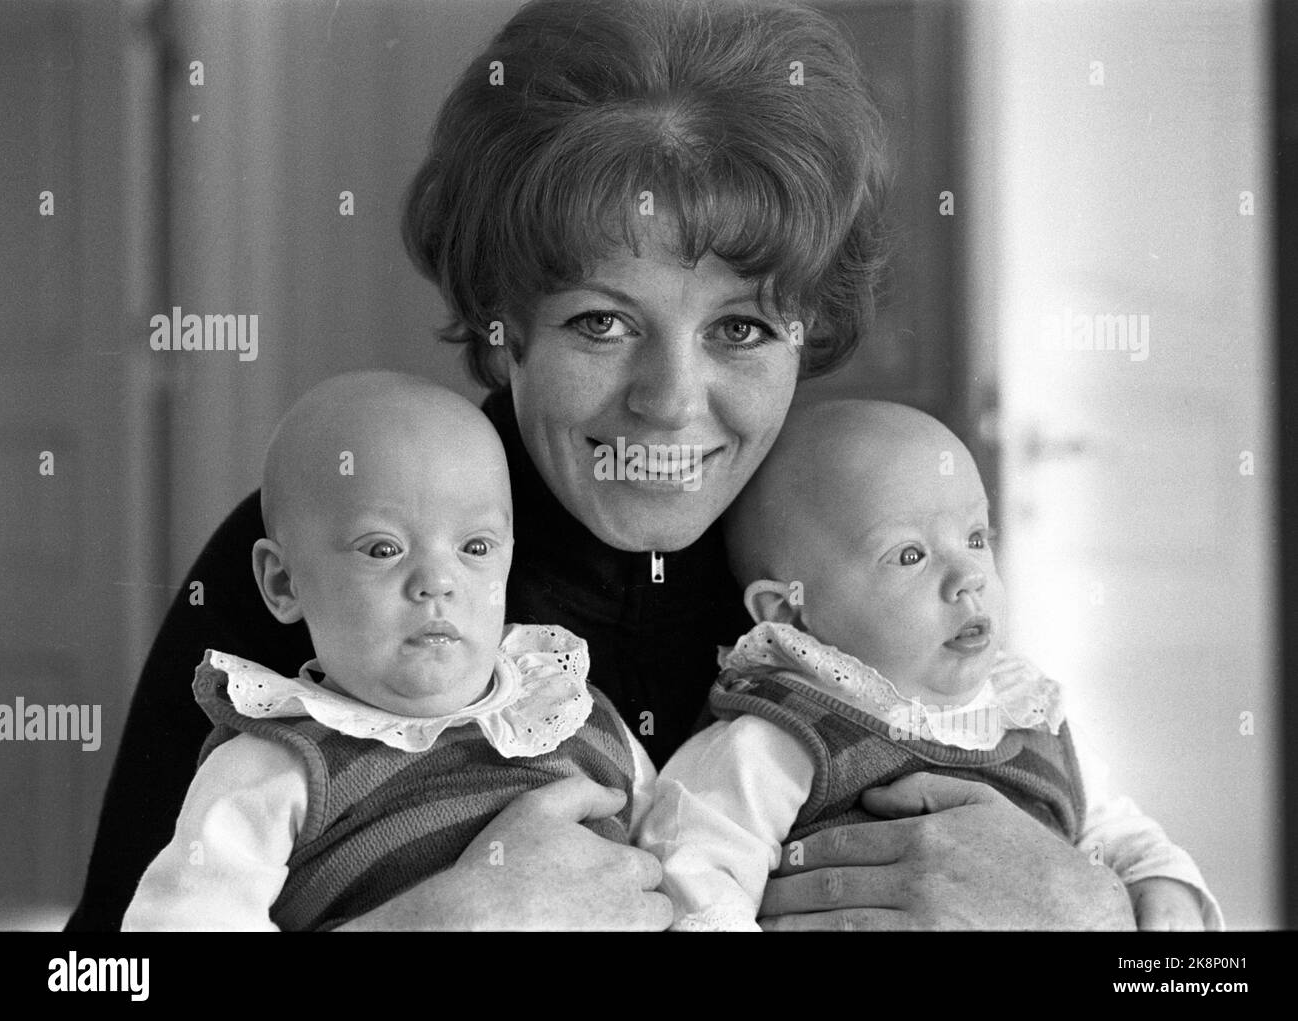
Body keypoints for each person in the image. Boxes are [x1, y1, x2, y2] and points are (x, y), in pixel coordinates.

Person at [69, 0, 1137, 931]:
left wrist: (1103, 920)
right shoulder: (353, 550)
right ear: (504, 327)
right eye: (600, 323)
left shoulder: (864, 552)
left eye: (742, 332)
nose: (670, 403)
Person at [638, 399, 1224, 931]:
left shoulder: (1028, 712)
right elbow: (695, 880)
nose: (969, 575)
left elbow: (1116, 835)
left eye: (975, 537)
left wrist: (1163, 887)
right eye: (910, 555)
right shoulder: (777, 739)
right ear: (790, 614)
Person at [122, 373, 658, 930]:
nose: (436, 581)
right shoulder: (275, 767)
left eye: (475, 547)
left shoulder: (572, 712)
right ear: (284, 584)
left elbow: (689, 855)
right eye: (383, 549)